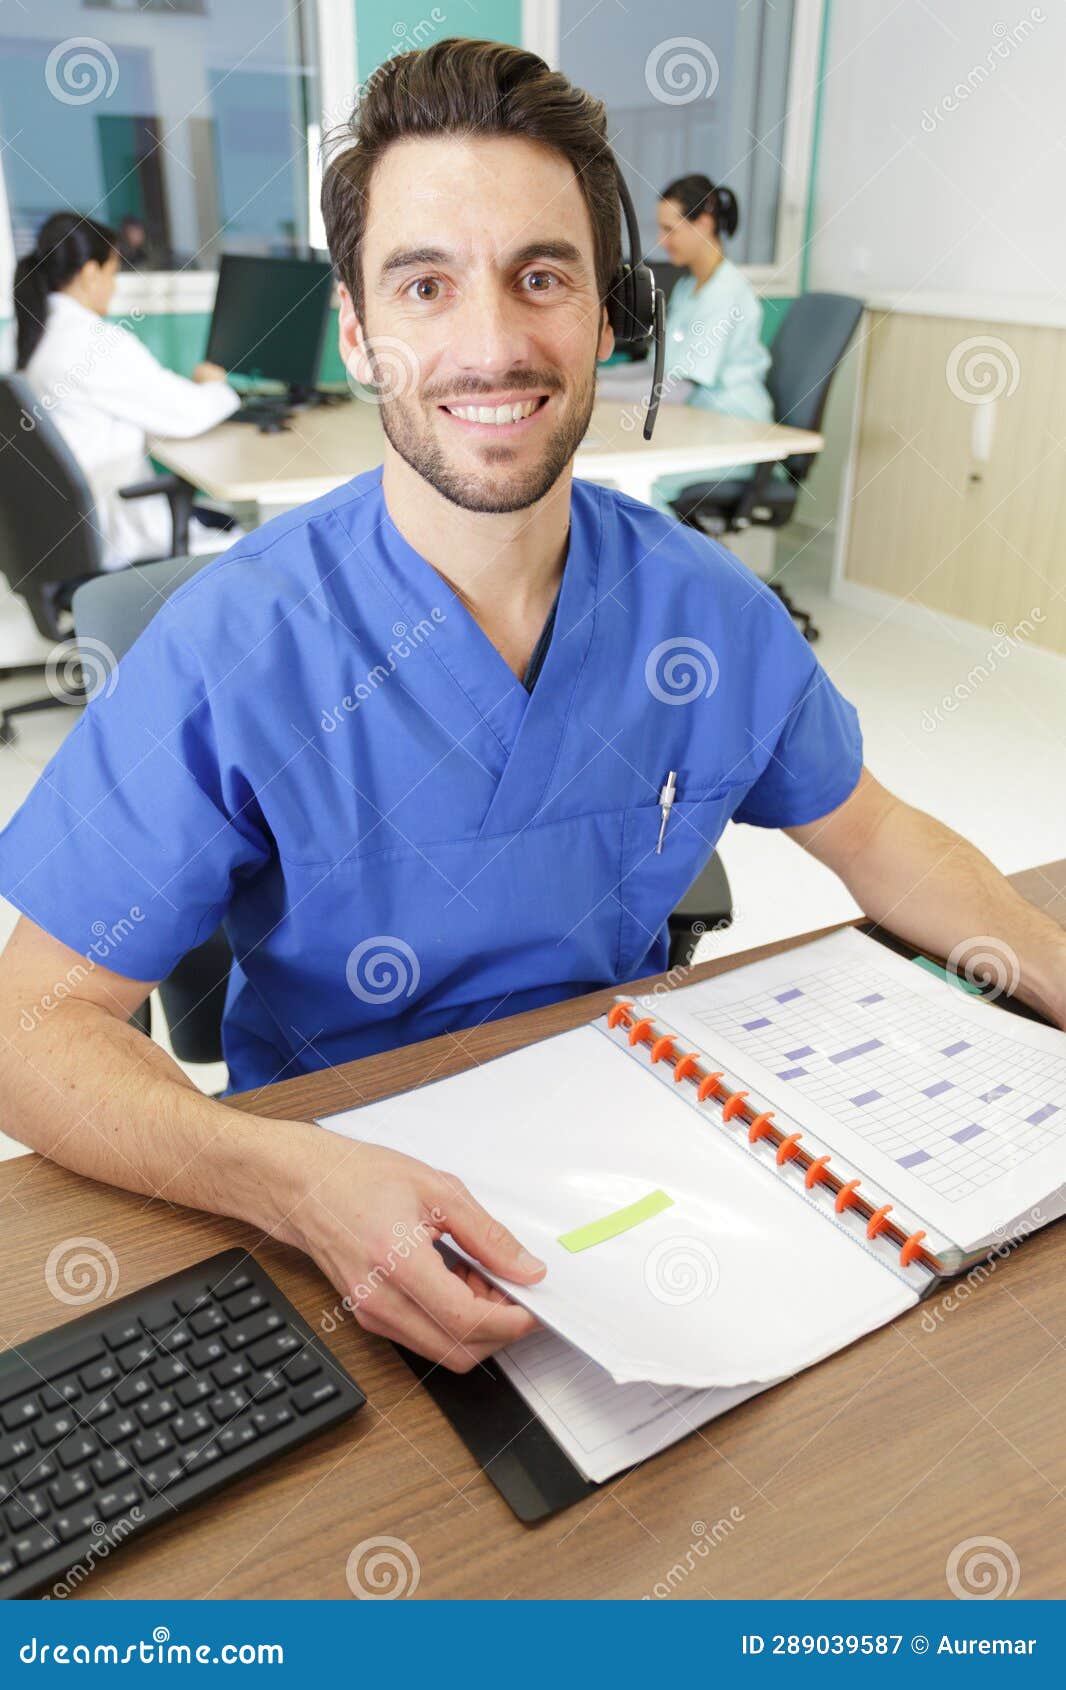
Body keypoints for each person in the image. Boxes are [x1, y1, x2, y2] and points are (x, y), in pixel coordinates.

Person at [0, 41, 1062, 1376]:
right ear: (354, 326)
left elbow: (882, 836)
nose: (492, 343)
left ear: (607, 313)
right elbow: (29, 1028)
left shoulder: (698, 613)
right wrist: (289, 1183)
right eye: (425, 283)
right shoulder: (239, 642)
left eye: (540, 276)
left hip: (637, 1171)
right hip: (330, 1209)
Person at [14, 212, 239, 568]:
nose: (115, 286)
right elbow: (186, 416)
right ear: (90, 273)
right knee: (250, 544)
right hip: (116, 533)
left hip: (68, 536)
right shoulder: (92, 343)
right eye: (112, 273)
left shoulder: (36, 336)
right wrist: (215, 386)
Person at [597, 173, 772, 513]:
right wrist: (594, 380)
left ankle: (677, 568)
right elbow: (656, 368)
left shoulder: (727, 293)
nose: (662, 241)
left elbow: (680, 388)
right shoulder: (687, 288)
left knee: (641, 486)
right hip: (698, 425)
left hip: (735, 432)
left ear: (704, 223)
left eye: (670, 229)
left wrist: (595, 391)